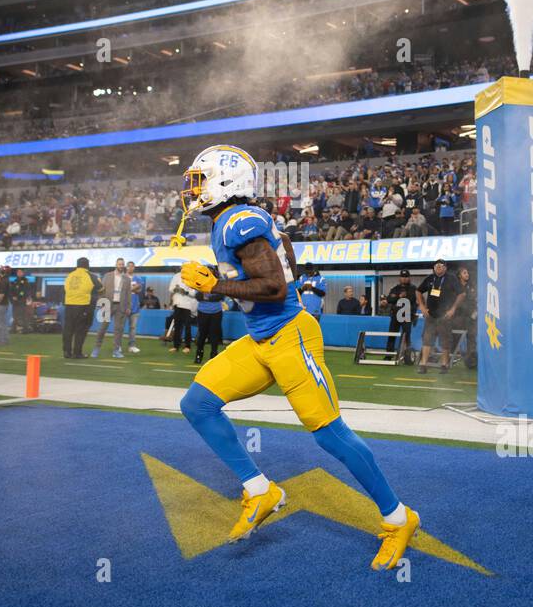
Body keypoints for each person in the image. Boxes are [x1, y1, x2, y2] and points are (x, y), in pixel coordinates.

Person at [175, 144, 420, 570]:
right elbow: (285, 246)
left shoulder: (239, 221)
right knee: (197, 403)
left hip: (290, 337)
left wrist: (216, 286)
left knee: (329, 433)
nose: (193, 190)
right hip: (261, 340)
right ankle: (259, 490)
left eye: (199, 180)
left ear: (224, 181)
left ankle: (398, 518)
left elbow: (272, 286)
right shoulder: (238, 220)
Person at [416, 258, 465, 374]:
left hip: (445, 316)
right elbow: (418, 291)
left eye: (441, 265)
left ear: (445, 268)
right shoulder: (429, 278)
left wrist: (453, 309)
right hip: (431, 315)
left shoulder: (451, 278)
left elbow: (462, 294)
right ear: (433, 268)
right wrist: (422, 307)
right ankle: (423, 365)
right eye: (436, 265)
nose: (438, 267)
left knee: (445, 341)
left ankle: (444, 365)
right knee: (427, 340)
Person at [91, 258, 132, 359]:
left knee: (119, 330)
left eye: (122, 264)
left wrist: (128, 307)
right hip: (108, 305)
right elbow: (101, 290)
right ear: (116, 265)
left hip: (121, 306)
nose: (121, 266)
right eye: (119, 264)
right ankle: (96, 348)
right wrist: (101, 303)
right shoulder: (108, 276)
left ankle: (116, 351)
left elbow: (128, 294)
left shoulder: (127, 279)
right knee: (102, 328)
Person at [62, 257, 94, 359]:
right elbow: (101, 287)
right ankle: (77, 353)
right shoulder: (90, 275)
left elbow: (65, 288)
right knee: (80, 331)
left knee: (68, 330)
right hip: (83, 306)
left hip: (69, 305)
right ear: (87, 265)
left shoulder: (69, 276)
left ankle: (67, 352)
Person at [386, 269, 418, 364]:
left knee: (407, 337)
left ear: (409, 278)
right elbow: (389, 299)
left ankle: (407, 357)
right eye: (403, 277)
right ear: (400, 278)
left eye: (406, 277)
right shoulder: (395, 288)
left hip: (407, 316)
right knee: (392, 335)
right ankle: (389, 355)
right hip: (395, 315)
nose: (404, 279)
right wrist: (399, 296)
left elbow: (413, 300)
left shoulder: (413, 289)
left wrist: (413, 314)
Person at [194, 275, 224, 363]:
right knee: (202, 334)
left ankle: (213, 355)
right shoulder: (200, 281)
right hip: (203, 312)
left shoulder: (219, 282)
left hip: (216, 312)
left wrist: (206, 297)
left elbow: (220, 296)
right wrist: (211, 298)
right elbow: (198, 296)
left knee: (214, 335)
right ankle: (199, 355)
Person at [167, 267, 197, 353]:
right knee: (177, 326)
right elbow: (170, 288)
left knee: (187, 326)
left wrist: (185, 292)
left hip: (187, 305)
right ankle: (176, 346)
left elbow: (194, 293)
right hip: (177, 303)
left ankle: (187, 346)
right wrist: (176, 289)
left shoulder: (192, 277)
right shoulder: (176, 276)